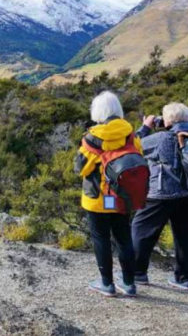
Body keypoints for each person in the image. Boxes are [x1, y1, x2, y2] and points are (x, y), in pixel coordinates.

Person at [133, 103, 188, 291]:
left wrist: (146, 127)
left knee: (142, 230)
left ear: (167, 121)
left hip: (162, 193)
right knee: (187, 238)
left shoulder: (160, 138)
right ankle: (184, 278)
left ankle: (136, 273)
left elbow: (133, 146)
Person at [74, 91, 140, 297]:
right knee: (123, 237)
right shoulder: (130, 134)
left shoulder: (92, 138)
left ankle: (107, 284)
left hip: (97, 198)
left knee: (101, 238)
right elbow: (138, 157)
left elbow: (80, 169)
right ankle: (129, 283)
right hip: (120, 196)